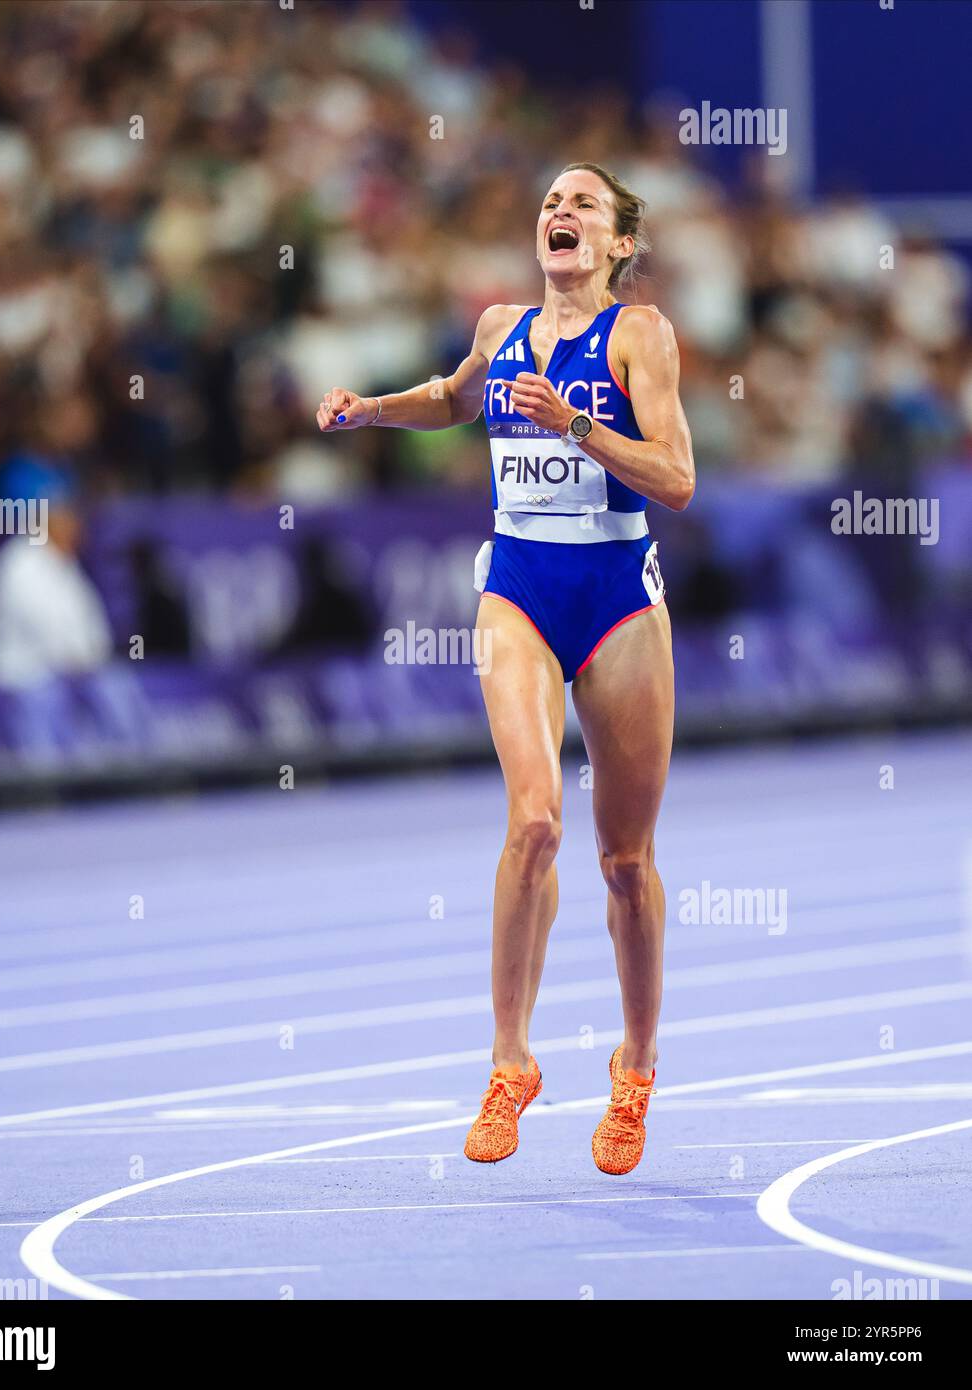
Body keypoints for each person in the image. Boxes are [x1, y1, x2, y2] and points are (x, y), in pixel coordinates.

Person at [317, 163, 694, 1173]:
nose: (559, 212)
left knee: (624, 861)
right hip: (519, 587)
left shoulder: (639, 335)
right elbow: (451, 400)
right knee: (532, 819)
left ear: (618, 243)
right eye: (549, 202)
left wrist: (577, 423)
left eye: (583, 204)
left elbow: (679, 477)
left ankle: (637, 1066)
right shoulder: (499, 328)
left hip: (617, 599)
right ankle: (509, 1062)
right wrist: (368, 410)